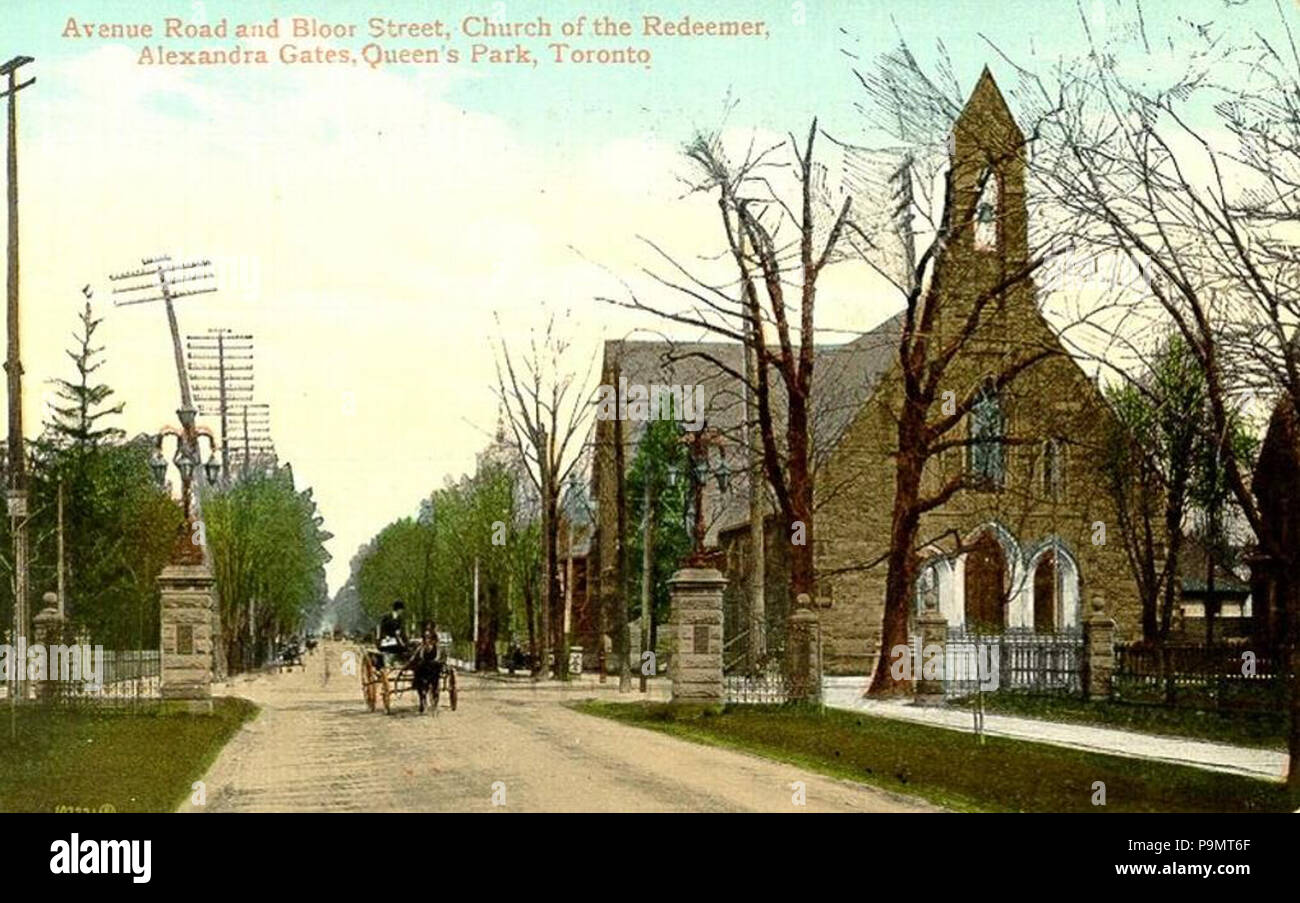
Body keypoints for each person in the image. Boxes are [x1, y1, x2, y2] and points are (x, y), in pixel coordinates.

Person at [376, 600, 409, 667]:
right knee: (388, 650)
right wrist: (385, 636)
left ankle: (395, 663)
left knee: (400, 649)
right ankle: (387, 664)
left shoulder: (399, 619)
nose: (402, 611)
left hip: (395, 639)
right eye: (401, 610)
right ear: (398, 609)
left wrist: (402, 638)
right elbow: (381, 627)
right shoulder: (386, 617)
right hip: (386, 639)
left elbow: (400, 630)